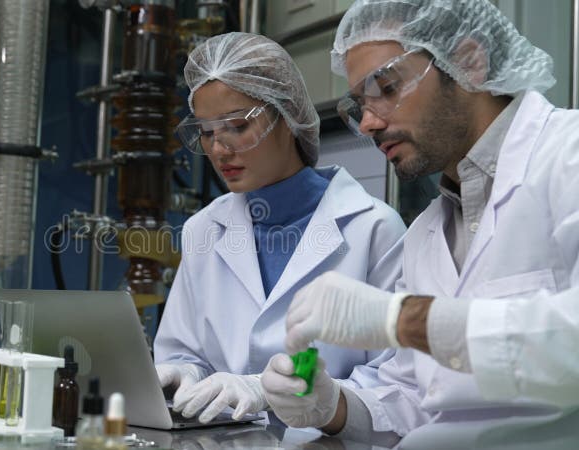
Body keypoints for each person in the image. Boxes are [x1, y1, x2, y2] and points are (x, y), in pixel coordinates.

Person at [261, 0, 579, 447]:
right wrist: (332, 406)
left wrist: (407, 320)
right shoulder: (426, 234)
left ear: (469, 63)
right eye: (359, 102)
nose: (369, 122)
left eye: (387, 87)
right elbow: (418, 397)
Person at [153, 32, 406, 424]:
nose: (220, 149)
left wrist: (294, 396)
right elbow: (185, 352)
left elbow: (395, 386)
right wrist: (182, 372)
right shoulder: (203, 228)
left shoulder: (374, 228)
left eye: (236, 126)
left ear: (287, 116)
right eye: (206, 132)